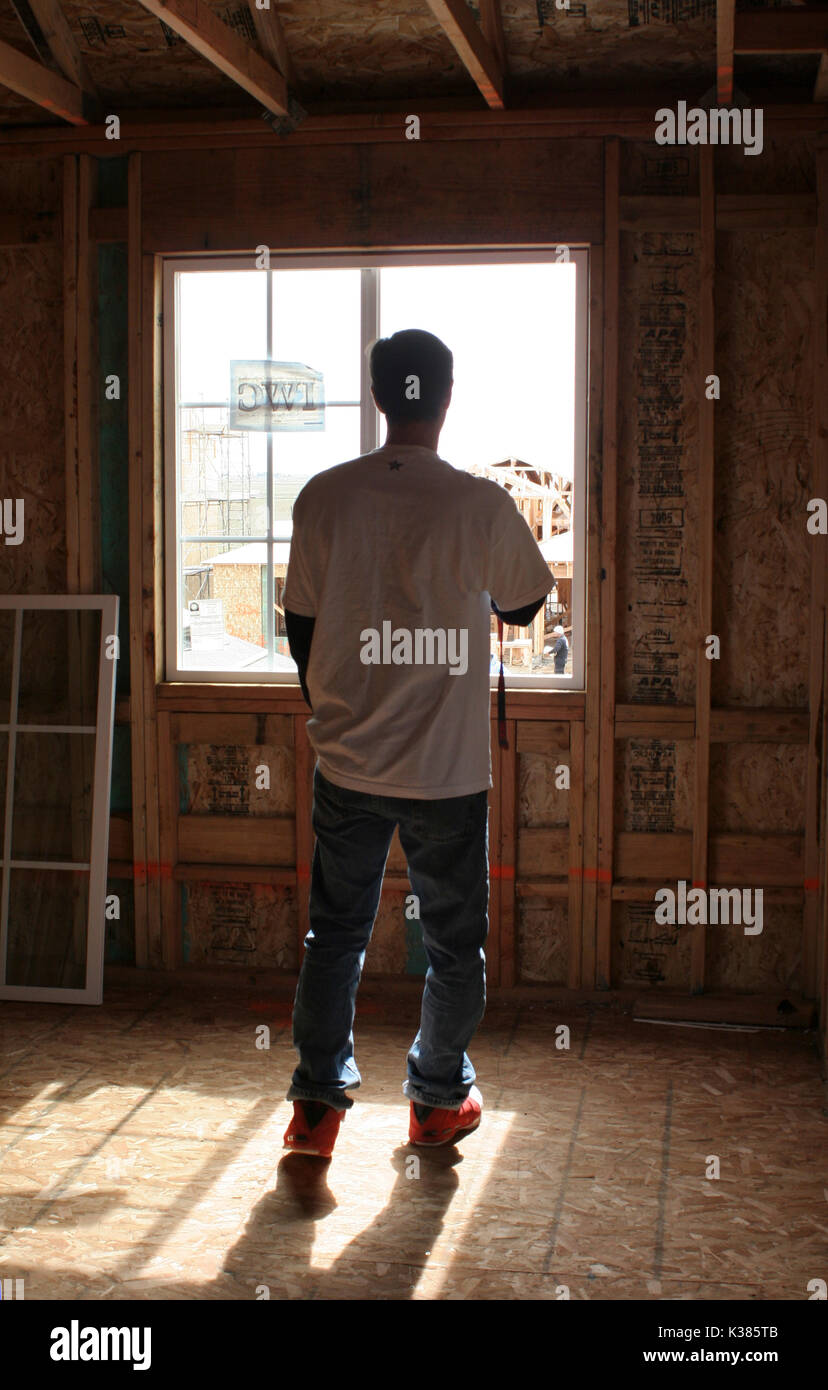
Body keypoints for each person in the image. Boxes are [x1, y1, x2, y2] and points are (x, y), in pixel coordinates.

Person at [281, 328, 554, 1157]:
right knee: (452, 942)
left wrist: (337, 703)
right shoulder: (478, 504)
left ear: (377, 397)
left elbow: (301, 627)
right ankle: (437, 1101)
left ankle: (317, 1112)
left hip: (349, 760)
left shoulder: (323, 496)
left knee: (336, 934)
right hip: (444, 772)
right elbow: (526, 606)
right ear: (443, 398)